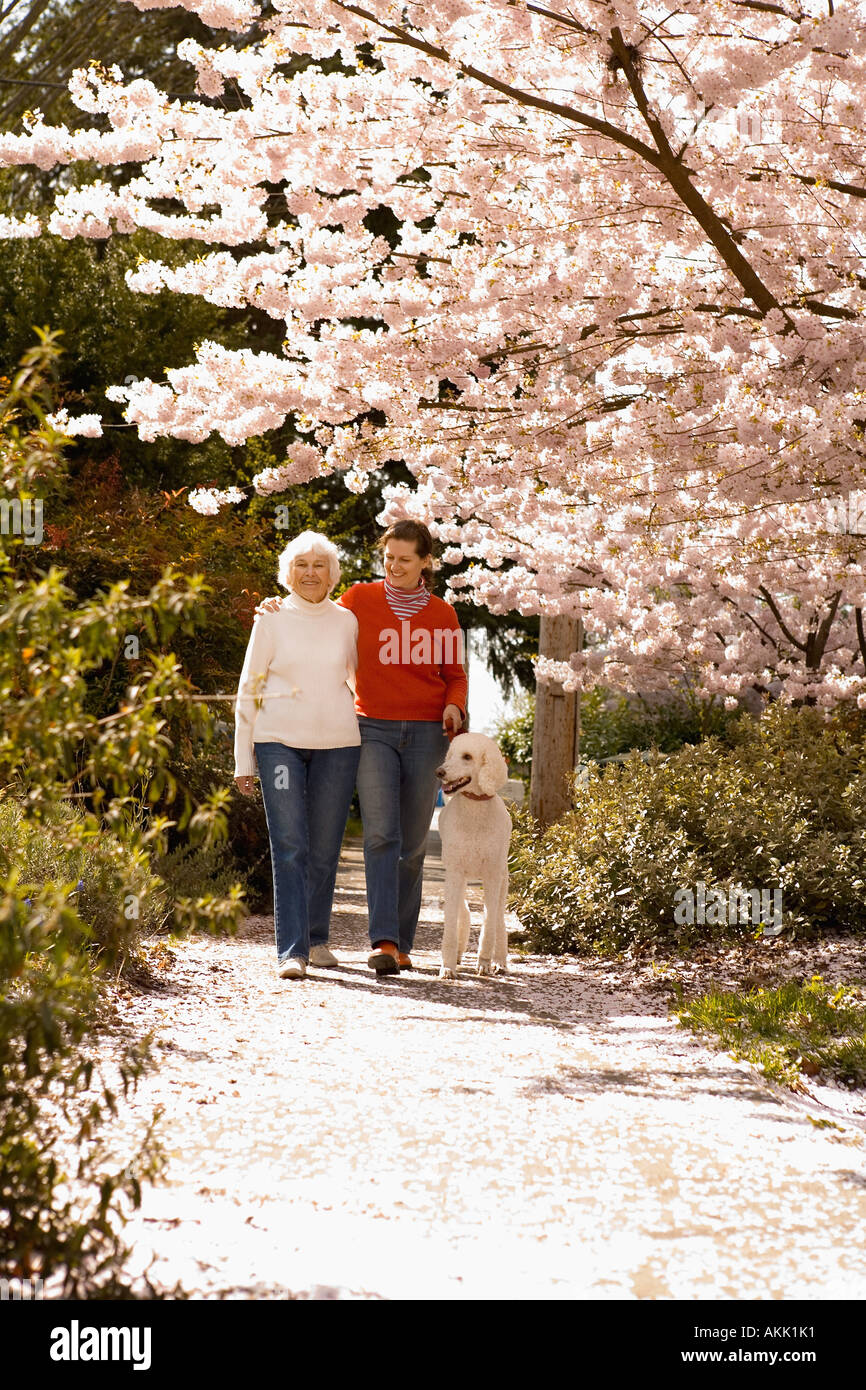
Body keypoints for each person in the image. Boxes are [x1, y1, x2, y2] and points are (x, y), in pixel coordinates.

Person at [257, 519, 467, 975]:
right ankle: (384, 941)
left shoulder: (443, 616)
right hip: (371, 728)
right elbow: (315, 610)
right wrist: (276, 604)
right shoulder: (359, 601)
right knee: (380, 835)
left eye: (404, 560)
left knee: (412, 844)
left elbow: (455, 676)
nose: (393, 566)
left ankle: (403, 943)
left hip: (428, 732)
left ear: (426, 563)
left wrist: (454, 708)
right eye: (388, 557)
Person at [234, 531, 360, 980]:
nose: (310, 573)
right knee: (291, 845)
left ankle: (317, 938)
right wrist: (243, 759)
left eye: (319, 564)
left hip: (340, 746)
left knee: (325, 848)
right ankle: (292, 950)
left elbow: (361, 684)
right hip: (278, 744)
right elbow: (249, 688)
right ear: (289, 572)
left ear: (332, 573)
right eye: (302, 564)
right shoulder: (269, 620)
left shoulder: (347, 621)